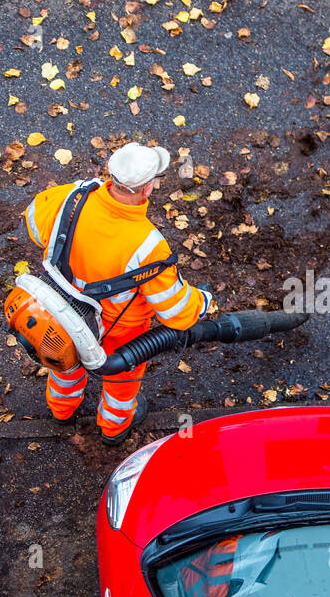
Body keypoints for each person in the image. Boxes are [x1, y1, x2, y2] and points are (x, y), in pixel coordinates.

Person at [22, 142, 212, 444]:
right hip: (120, 332)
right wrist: (202, 302)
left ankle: (61, 411)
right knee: (122, 383)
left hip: (60, 312)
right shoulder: (148, 245)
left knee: (64, 363)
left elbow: (34, 222)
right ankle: (113, 429)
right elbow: (177, 314)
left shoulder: (74, 196)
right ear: (147, 189)